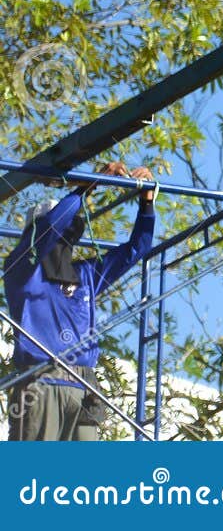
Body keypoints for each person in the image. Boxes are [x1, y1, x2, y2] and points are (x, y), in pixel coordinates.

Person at [4, 160, 158, 440]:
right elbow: (51, 227)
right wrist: (87, 188)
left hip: (84, 385)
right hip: (41, 381)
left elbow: (138, 249)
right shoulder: (22, 270)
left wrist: (146, 204)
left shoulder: (84, 275)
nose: (68, 235)